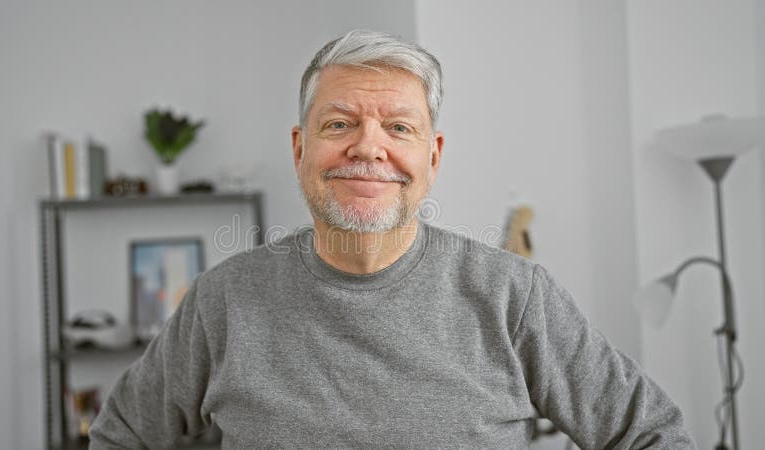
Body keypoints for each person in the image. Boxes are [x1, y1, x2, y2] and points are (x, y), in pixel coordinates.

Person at [89, 30, 696, 449]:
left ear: (431, 157)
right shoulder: (223, 301)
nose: (368, 146)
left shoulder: (515, 297)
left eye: (398, 127)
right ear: (300, 149)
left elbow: (651, 435)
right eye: (339, 124)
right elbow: (121, 436)